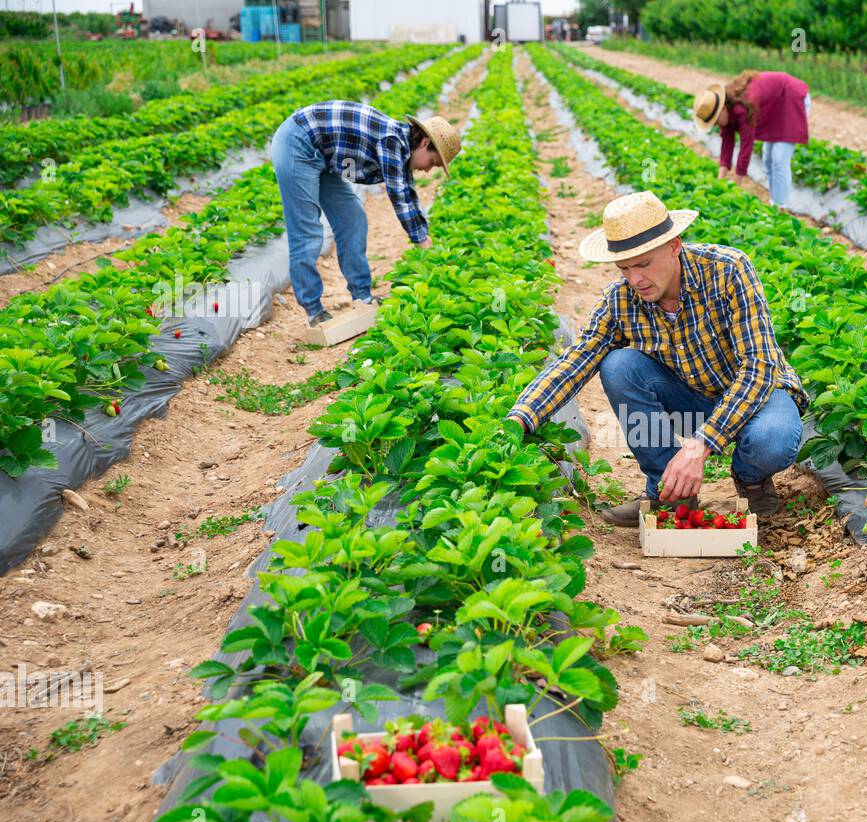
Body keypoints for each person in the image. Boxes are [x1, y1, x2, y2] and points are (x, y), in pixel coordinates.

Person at [506, 190, 807, 526]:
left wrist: (701, 445)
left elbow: (759, 367)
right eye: (624, 268)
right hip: (690, 399)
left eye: (644, 264)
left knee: (772, 440)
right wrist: (518, 419)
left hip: (759, 397)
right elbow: (574, 363)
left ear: (674, 246)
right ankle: (669, 491)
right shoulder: (621, 300)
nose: (636, 279)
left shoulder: (728, 271)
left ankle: (751, 478)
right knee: (619, 365)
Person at [270, 102, 461, 326]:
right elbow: (399, 195)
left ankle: (362, 296)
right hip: (299, 142)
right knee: (307, 231)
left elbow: (408, 193)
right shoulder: (392, 142)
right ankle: (314, 311)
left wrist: (424, 236)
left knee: (352, 219)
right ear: (425, 142)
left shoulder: (402, 148)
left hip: (325, 154)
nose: (428, 170)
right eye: (433, 162)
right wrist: (421, 241)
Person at [693, 71, 810, 209]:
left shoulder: (742, 108)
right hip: (775, 106)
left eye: (716, 121)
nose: (717, 125)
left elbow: (746, 146)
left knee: (779, 158)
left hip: (790, 96)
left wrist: (735, 186)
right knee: (767, 159)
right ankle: (775, 203)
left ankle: (780, 207)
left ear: (723, 109)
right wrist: (720, 182)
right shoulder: (727, 110)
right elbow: (727, 143)